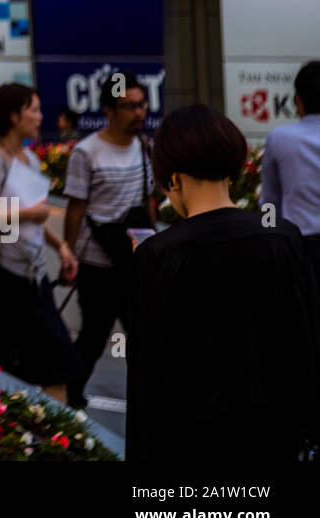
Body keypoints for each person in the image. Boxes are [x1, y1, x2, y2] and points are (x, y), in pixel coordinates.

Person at [127, 103, 320, 461]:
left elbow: (148, 380)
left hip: (195, 442)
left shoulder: (158, 255)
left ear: (172, 178)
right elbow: (307, 343)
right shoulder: (283, 237)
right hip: (276, 434)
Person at [0, 83, 84, 404]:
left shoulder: (30, 159)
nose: (41, 117)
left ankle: (56, 438)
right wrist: (30, 212)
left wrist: (61, 248)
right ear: (14, 116)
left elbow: (34, 221)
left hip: (32, 276)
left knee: (57, 361)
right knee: (0, 369)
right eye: (34, 109)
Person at [62, 73, 154, 408]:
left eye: (142, 104)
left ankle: (148, 402)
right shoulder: (86, 153)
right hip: (97, 264)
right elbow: (75, 208)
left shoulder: (145, 147)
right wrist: (68, 254)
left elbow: (148, 205)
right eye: (129, 106)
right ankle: (70, 398)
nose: (139, 112)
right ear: (109, 111)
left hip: (134, 262)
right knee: (93, 337)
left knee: (144, 338)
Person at [260, 60, 320, 290]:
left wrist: (268, 242)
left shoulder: (279, 138)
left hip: (299, 249)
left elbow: (270, 201)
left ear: (298, 100)